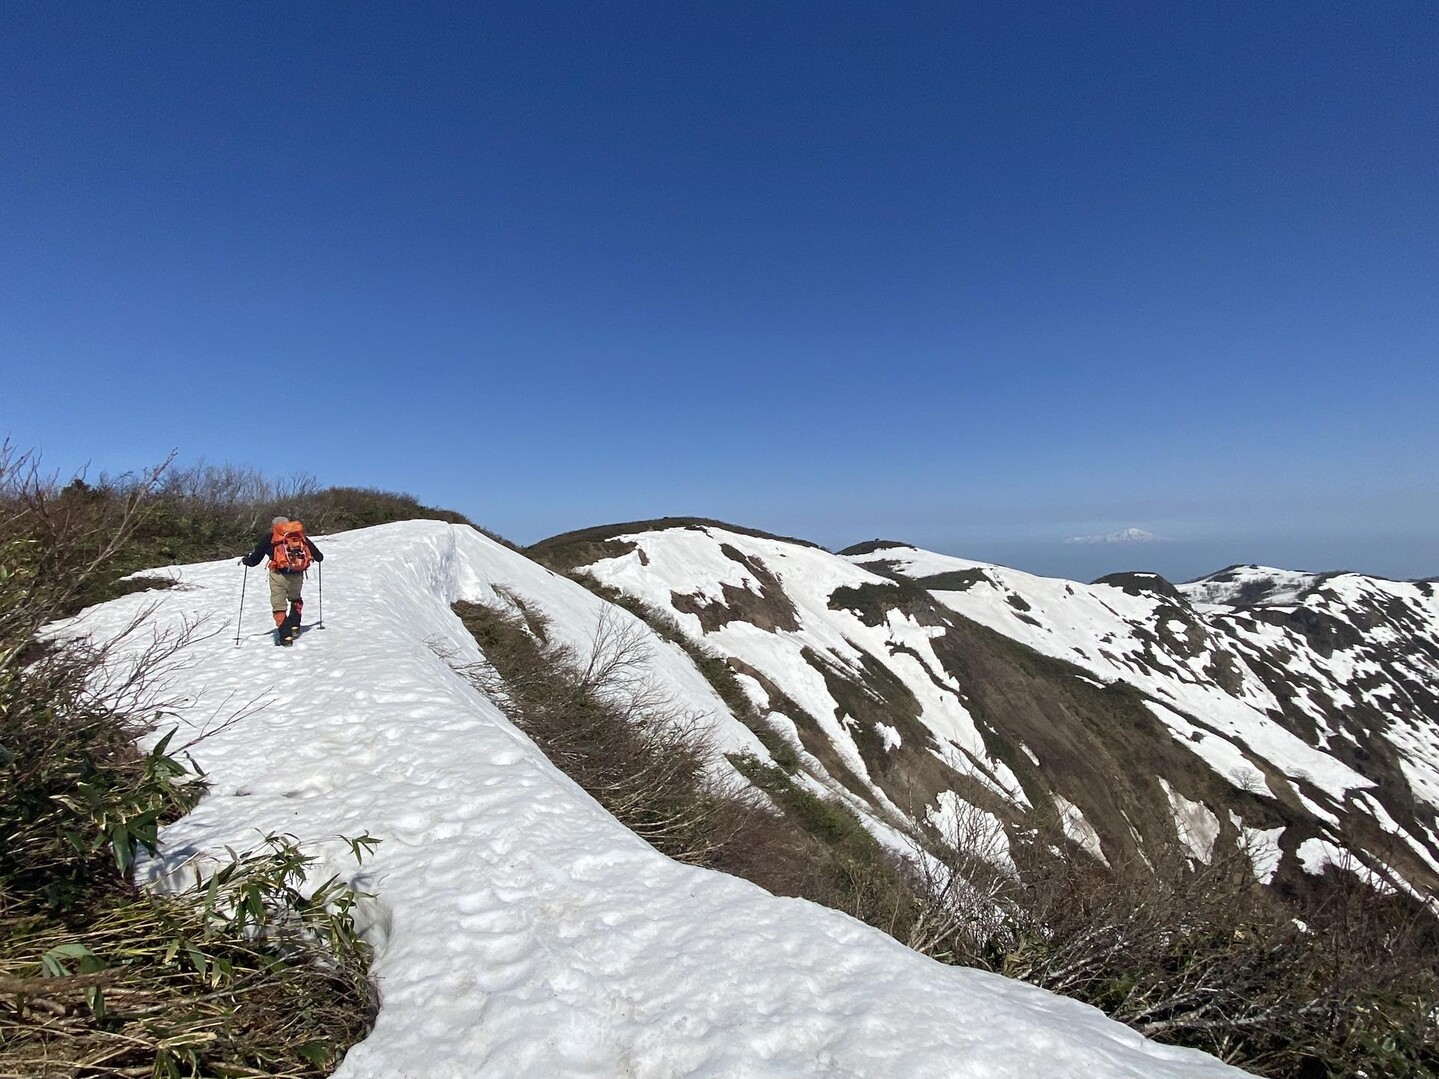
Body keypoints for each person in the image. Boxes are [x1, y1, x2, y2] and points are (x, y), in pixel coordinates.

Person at [241, 516, 324, 643]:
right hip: (297, 574)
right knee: (295, 598)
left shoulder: (270, 537)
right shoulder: (299, 537)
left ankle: (286, 636)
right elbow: (318, 556)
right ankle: (295, 625)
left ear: (274, 526)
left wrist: (246, 561)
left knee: (278, 604)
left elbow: (255, 560)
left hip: (278, 575)